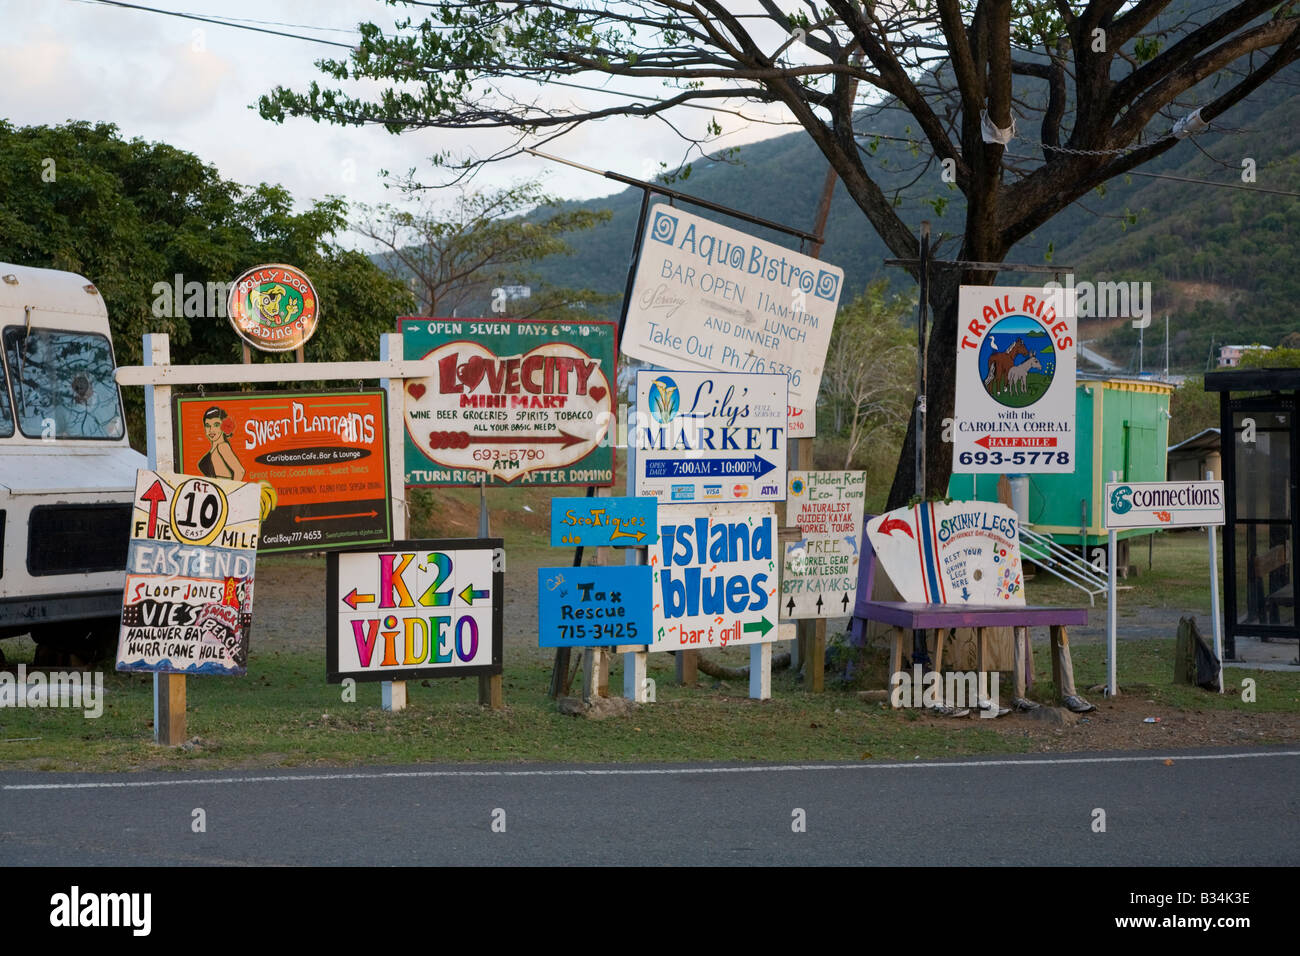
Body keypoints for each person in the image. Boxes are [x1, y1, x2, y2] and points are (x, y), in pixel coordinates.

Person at [198, 406, 245, 481]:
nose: (211, 430)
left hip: (224, 490)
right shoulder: (215, 448)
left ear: (224, 426)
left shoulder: (222, 446)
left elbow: (240, 471)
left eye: (216, 425)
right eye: (207, 426)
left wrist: (232, 492)